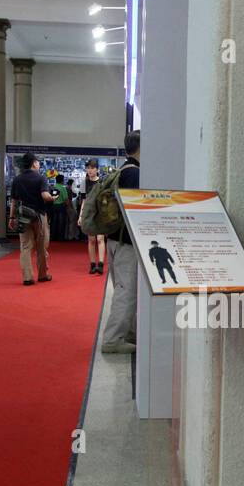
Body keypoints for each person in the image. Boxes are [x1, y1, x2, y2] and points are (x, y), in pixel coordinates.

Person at [100, 131, 140, 353]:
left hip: (115, 238)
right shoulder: (134, 174)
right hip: (127, 241)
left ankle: (129, 332)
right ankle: (113, 339)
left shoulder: (121, 170)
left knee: (123, 287)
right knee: (127, 290)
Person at [9, 152, 54, 286]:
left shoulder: (17, 179)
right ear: (34, 163)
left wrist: (11, 217)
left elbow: (14, 201)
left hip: (23, 216)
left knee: (25, 246)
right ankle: (42, 275)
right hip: (39, 215)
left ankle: (27, 277)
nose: (39, 163)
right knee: (41, 245)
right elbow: (45, 196)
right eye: (37, 161)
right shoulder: (41, 178)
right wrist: (53, 198)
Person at [79, 159, 107, 274]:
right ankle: (92, 264)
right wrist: (81, 216)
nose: (89, 170)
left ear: (97, 169)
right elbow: (84, 201)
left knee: (100, 239)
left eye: (92, 168)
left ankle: (100, 264)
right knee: (91, 240)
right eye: (88, 168)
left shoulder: (102, 182)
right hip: (89, 213)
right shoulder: (84, 183)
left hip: (100, 214)